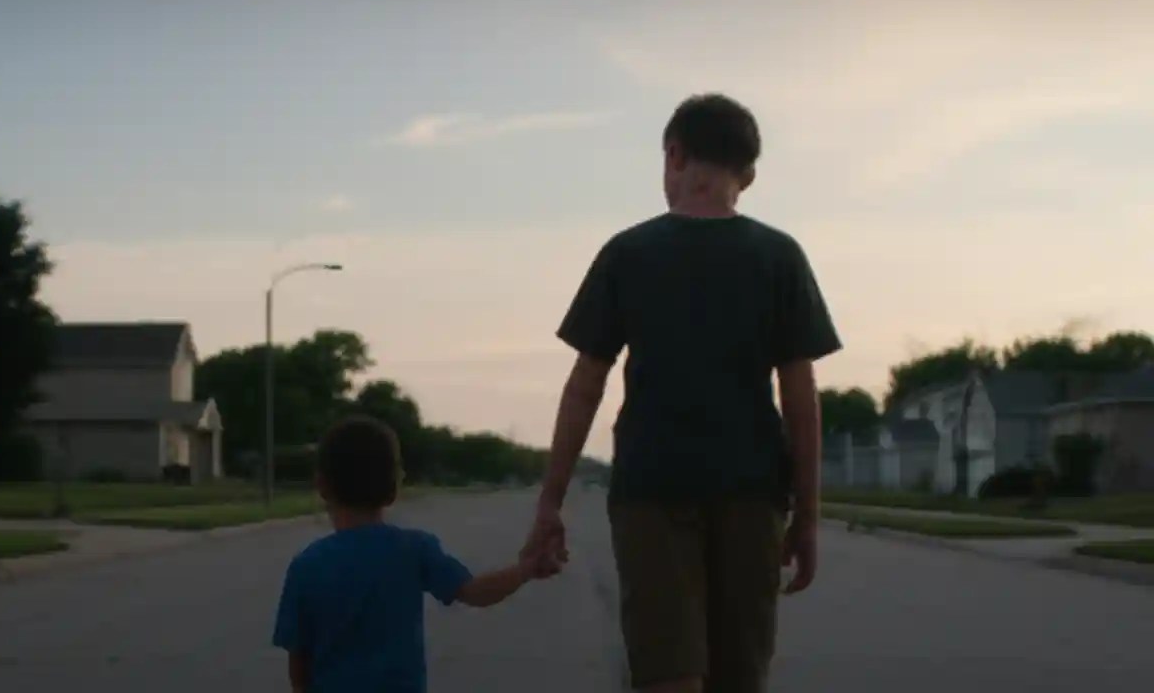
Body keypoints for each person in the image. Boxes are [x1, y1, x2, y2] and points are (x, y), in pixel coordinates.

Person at [523, 93, 841, 693]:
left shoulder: (628, 253)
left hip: (652, 489)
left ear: (674, 155)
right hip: (752, 492)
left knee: (666, 670)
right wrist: (808, 514)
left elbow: (584, 385)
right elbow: (802, 401)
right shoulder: (779, 256)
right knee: (739, 674)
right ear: (747, 174)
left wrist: (551, 501)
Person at [273, 416, 560, 693]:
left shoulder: (306, 565)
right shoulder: (413, 549)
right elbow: (475, 592)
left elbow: (299, 663)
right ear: (394, 487)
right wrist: (526, 569)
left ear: (322, 485)